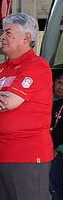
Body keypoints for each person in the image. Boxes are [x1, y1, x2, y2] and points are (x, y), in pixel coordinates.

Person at [0, 13, 52, 200]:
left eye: (8, 33)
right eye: (3, 32)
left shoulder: (36, 66)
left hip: (27, 155)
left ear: (26, 37)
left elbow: (8, 103)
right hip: (2, 153)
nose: (2, 37)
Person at [50, 68, 63, 200]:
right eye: (59, 82)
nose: (61, 87)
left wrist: (58, 150)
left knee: (57, 190)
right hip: (42, 151)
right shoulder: (45, 100)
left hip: (58, 154)